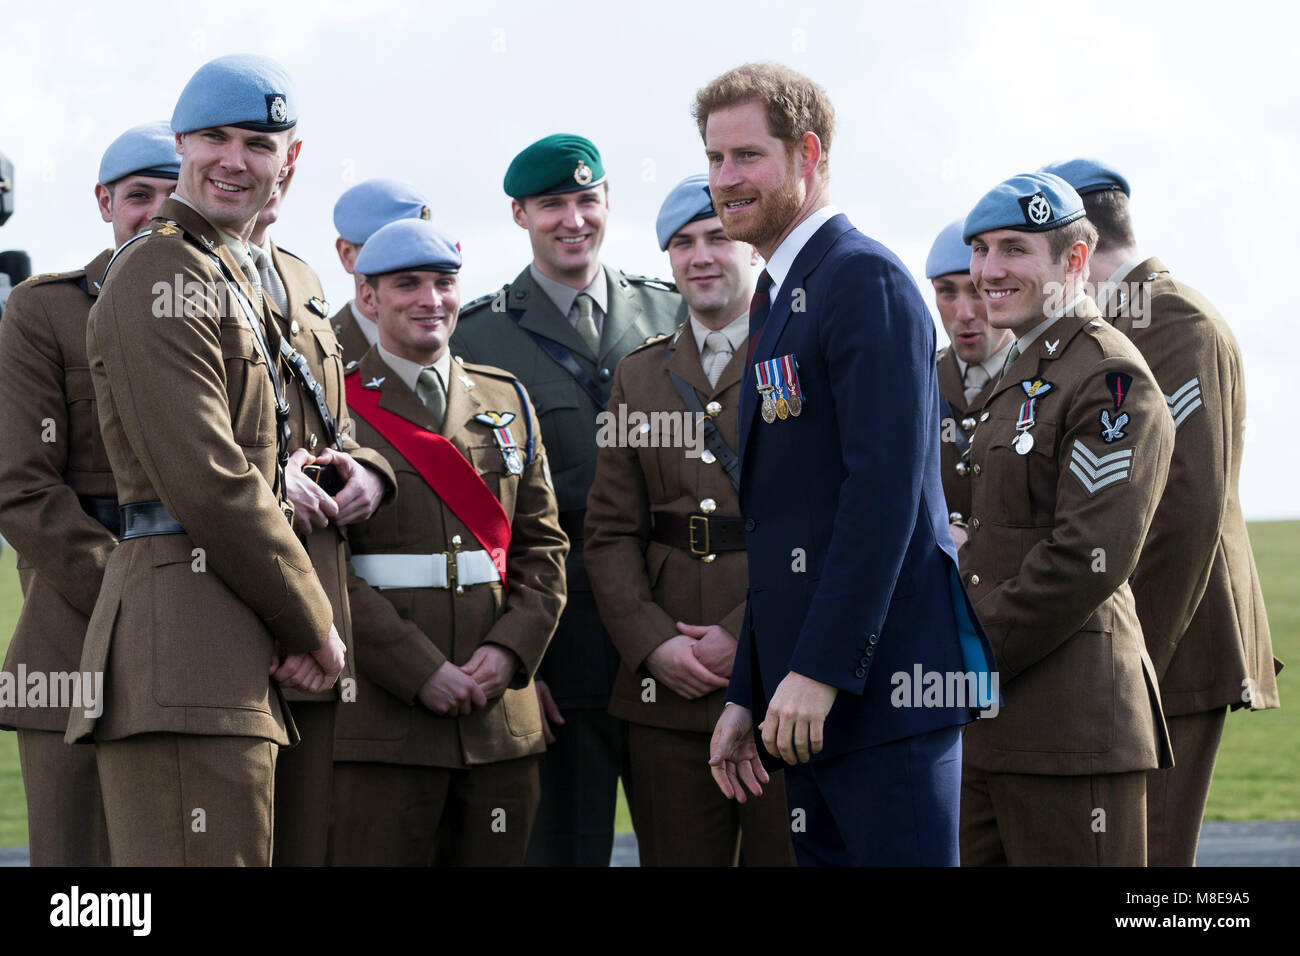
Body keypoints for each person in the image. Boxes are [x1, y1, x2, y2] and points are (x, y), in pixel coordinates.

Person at [696, 62, 997, 866]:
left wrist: (820, 672)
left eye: (747, 156)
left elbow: (885, 496)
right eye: (715, 160)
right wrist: (748, 691)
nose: (726, 179)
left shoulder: (862, 279)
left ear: (808, 154)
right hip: (806, 703)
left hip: (881, 694)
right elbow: (786, 523)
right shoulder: (784, 293)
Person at [66, 54, 345, 866]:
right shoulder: (162, 270)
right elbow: (211, 481)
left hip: (236, 647)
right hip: (185, 650)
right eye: (215, 138)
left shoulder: (232, 273)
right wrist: (311, 619)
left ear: (288, 160)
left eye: (258, 143)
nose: (234, 159)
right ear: (181, 141)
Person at [1043, 157, 1281, 865]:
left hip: (1168, 642)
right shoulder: (1119, 320)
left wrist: (1133, 656)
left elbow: (1184, 502)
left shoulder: (1169, 317)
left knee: (1152, 856)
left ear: (1078, 246)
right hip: (1144, 641)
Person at [451, 134, 682, 865]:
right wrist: (526, 663)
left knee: (691, 837)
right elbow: (475, 517)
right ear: (520, 214)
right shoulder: (476, 337)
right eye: (553, 204)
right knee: (568, 844)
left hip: (674, 613)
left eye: (588, 200)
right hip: (562, 628)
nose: (573, 219)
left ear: (610, 203)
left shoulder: (670, 316)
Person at [330, 217, 567, 865]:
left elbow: (543, 550)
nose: (430, 299)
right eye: (407, 284)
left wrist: (508, 653)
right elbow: (324, 566)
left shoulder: (506, 397)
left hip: (499, 722)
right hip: (384, 720)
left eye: (443, 282)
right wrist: (419, 670)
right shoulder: (332, 405)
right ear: (369, 298)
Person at [958, 171, 1174, 865]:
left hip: (1070, 729)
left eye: (1014, 250)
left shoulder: (1111, 378)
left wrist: (962, 653)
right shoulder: (1018, 372)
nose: (988, 271)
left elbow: (1086, 556)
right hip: (990, 725)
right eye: (981, 250)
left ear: (1074, 261)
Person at [584, 175, 796, 866]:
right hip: (667, 688)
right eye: (682, 244)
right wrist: (652, 646)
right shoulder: (640, 375)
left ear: (754, 251)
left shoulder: (801, 357)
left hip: (780, 676)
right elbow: (611, 529)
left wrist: (745, 639)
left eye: (716, 238)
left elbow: (822, 523)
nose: (700, 256)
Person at [0, 122, 179, 866]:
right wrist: (141, 593)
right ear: (105, 202)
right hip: (74, 630)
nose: (160, 214)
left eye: (178, 196)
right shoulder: (47, 311)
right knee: (80, 877)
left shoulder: (245, 311)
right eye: (140, 196)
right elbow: (21, 489)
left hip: (217, 629)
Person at [248, 131, 396, 865]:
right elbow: (192, 465)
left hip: (319, 627)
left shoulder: (301, 281)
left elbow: (332, 426)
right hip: (223, 623)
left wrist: (370, 469)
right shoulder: (160, 284)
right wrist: (310, 626)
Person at [925, 219, 1015, 551]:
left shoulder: (1046, 380)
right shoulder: (918, 381)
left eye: (977, 291)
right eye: (947, 291)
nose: (963, 313)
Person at [329, 178, 432, 360]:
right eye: (386, 251)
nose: (408, 265)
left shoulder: (460, 344)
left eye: (420, 252)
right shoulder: (316, 352)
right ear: (346, 255)